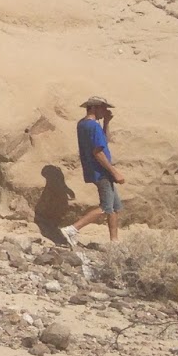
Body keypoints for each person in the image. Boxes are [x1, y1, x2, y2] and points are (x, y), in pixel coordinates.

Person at [63, 95, 125, 246]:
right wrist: (114, 172)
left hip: (97, 170)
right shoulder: (93, 126)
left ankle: (114, 242)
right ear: (94, 108)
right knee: (106, 207)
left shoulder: (83, 124)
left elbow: (104, 141)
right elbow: (98, 152)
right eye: (103, 108)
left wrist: (106, 122)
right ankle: (72, 229)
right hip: (101, 171)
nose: (105, 111)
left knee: (114, 206)